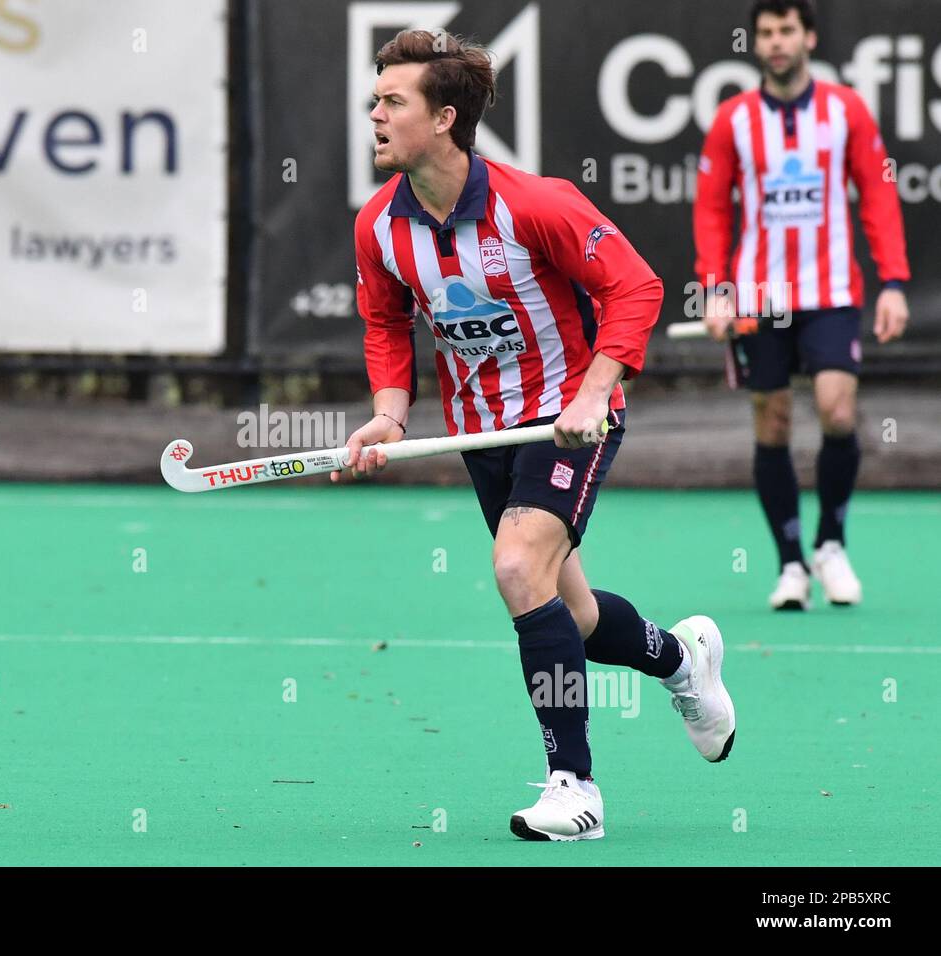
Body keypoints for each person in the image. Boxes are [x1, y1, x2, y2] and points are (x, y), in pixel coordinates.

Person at [332, 29, 735, 842]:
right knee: (573, 614)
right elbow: (385, 320)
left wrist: (592, 395)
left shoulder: (537, 203)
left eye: (391, 101)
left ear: (444, 118)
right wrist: (386, 412)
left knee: (517, 566)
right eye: (375, 98)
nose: (373, 113)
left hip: (566, 419)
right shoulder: (379, 225)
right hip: (483, 435)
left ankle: (575, 787)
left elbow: (636, 287)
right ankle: (680, 660)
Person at [693, 0, 911, 609]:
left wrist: (893, 280)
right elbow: (712, 208)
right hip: (761, 301)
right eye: (765, 33)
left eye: (787, 30)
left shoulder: (846, 111)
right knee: (774, 422)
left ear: (808, 36)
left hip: (832, 294)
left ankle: (831, 545)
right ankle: (790, 564)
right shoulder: (733, 119)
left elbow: (878, 194)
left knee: (838, 413)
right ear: (755, 43)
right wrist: (714, 285)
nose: (776, 42)